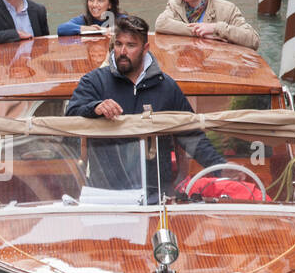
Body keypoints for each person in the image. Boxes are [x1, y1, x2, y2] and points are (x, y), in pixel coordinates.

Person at [65, 14, 225, 200]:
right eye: (118, 44)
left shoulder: (166, 87)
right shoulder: (94, 81)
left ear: (145, 48)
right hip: (105, 192)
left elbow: (191, 135)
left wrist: (221, 169)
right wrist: (95, 107)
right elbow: (71, 116)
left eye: (131, 45)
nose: (123, 51)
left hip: (155, 192)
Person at [57, 0, 124, 35]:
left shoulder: (120, 19)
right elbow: (61, 29)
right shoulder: (84, 20)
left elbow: (133, 26)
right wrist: (89, 29)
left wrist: (108, 30)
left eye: (100, 0)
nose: (94, 5)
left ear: (110, 4)